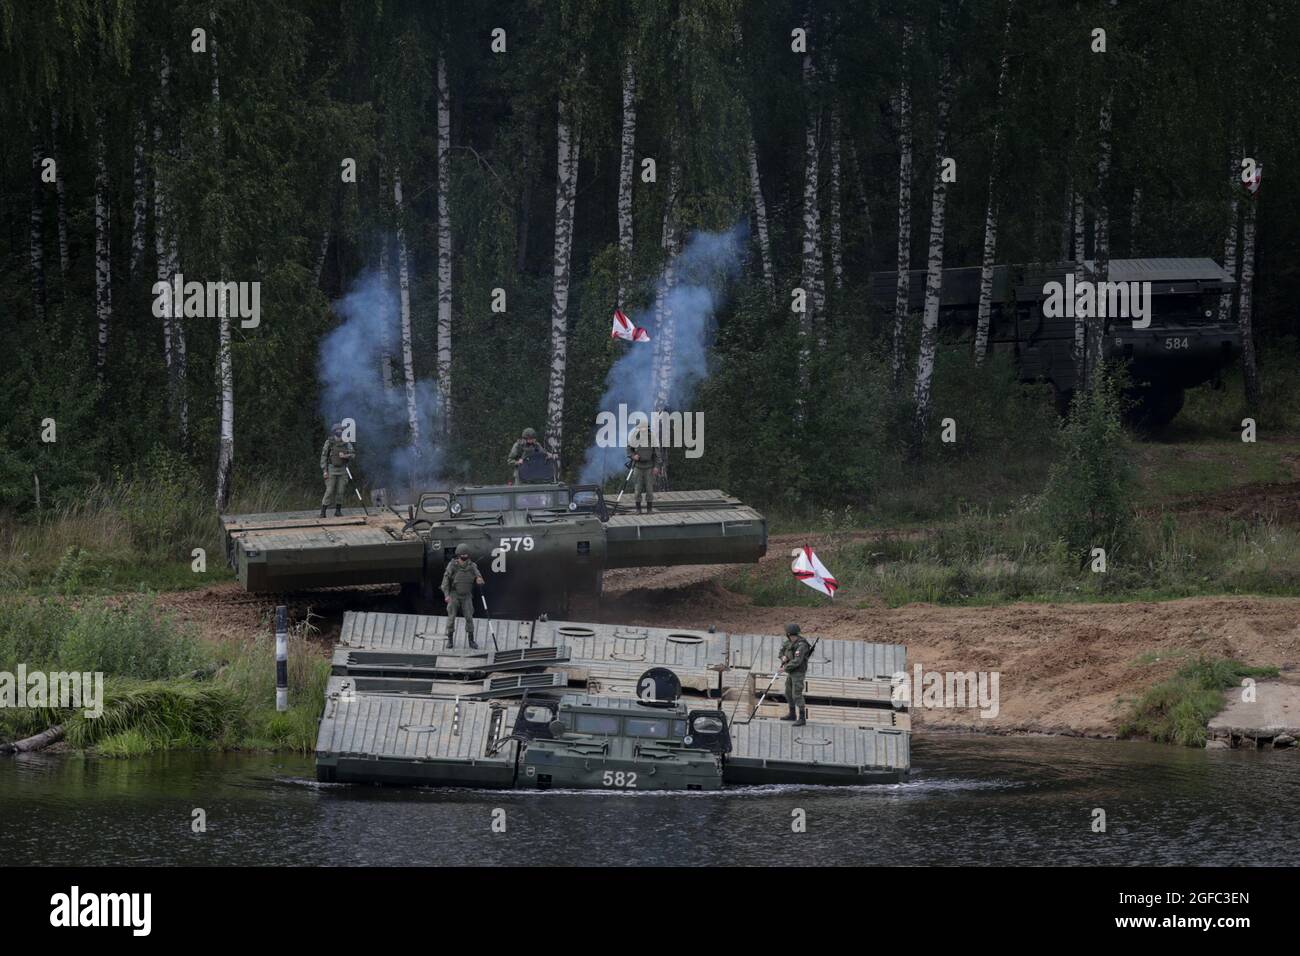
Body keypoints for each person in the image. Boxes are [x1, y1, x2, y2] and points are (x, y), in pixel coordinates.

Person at [441, 544, 485, 649]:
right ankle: (450, 640)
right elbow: (445, 582)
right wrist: (446, 595)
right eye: (462, 554)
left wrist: (479, 579)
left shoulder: (472, 566)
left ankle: (471, 640)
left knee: (469, 617)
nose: (464, 556)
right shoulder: (452, 566)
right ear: (458, 555)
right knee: (451, 618)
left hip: (467, 596)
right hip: (454, 595)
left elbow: (479, 577)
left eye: (466, 554)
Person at [779, 623, 812, 726]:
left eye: (792, 636)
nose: (791, 637)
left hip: (798, 672)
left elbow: (797, 661)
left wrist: (784, 668)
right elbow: (781, 651)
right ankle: (792, 714)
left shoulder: (802, 645)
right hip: (791, 672)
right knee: (788, 693)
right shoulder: (788, 642)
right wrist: (783, 657)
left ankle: (802, 718)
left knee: (796, 694)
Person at [319, 423, 355, 518]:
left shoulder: (346, 442)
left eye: (341, 430)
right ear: (334, 431)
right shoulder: (329, 442)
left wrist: (345, 456)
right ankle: (323, 512)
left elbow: (353, 454)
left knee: (341, 491)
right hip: (331, 469)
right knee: (329, 490)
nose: (339, 431)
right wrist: (324, 471)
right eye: (337, 430)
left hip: (343, 469)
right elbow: (323, 457)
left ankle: (338, 511)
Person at [625, 423, 661, 514]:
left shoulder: (652, 438)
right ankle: (638, 509)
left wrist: (656, 466)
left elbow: (657, 454)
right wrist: (633, 456)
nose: (643, 429)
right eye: (641, 428)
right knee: (637, 489)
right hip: (638, 466)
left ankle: (649, 509)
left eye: (645, 428)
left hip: (649, 467)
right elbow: (628, 449)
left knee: (649, 489)